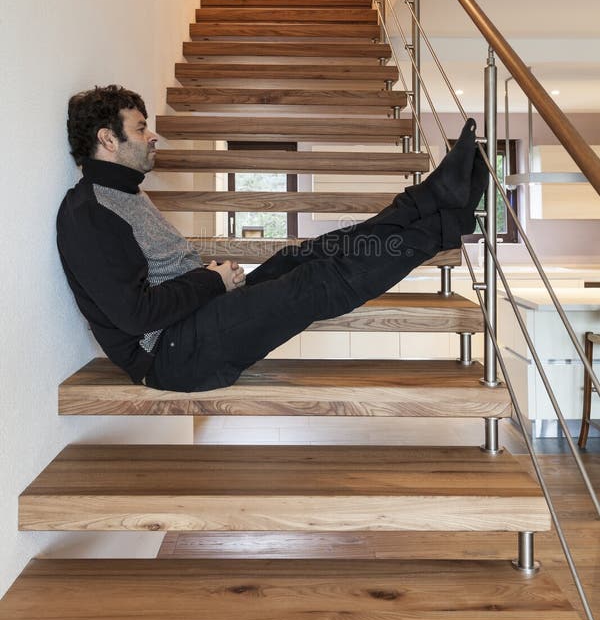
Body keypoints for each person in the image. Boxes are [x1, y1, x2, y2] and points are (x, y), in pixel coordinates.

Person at [57, 85, 487, 393]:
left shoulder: (124, 192)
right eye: (140, 129)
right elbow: (136, 315)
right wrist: (212, 280)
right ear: (108, 140)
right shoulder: (89, 214)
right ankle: (442, 226)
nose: (153, 136)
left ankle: (427, 200)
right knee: (312, 283)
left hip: (197, 319)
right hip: (172, 355)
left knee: (305, 255)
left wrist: (211, 282)